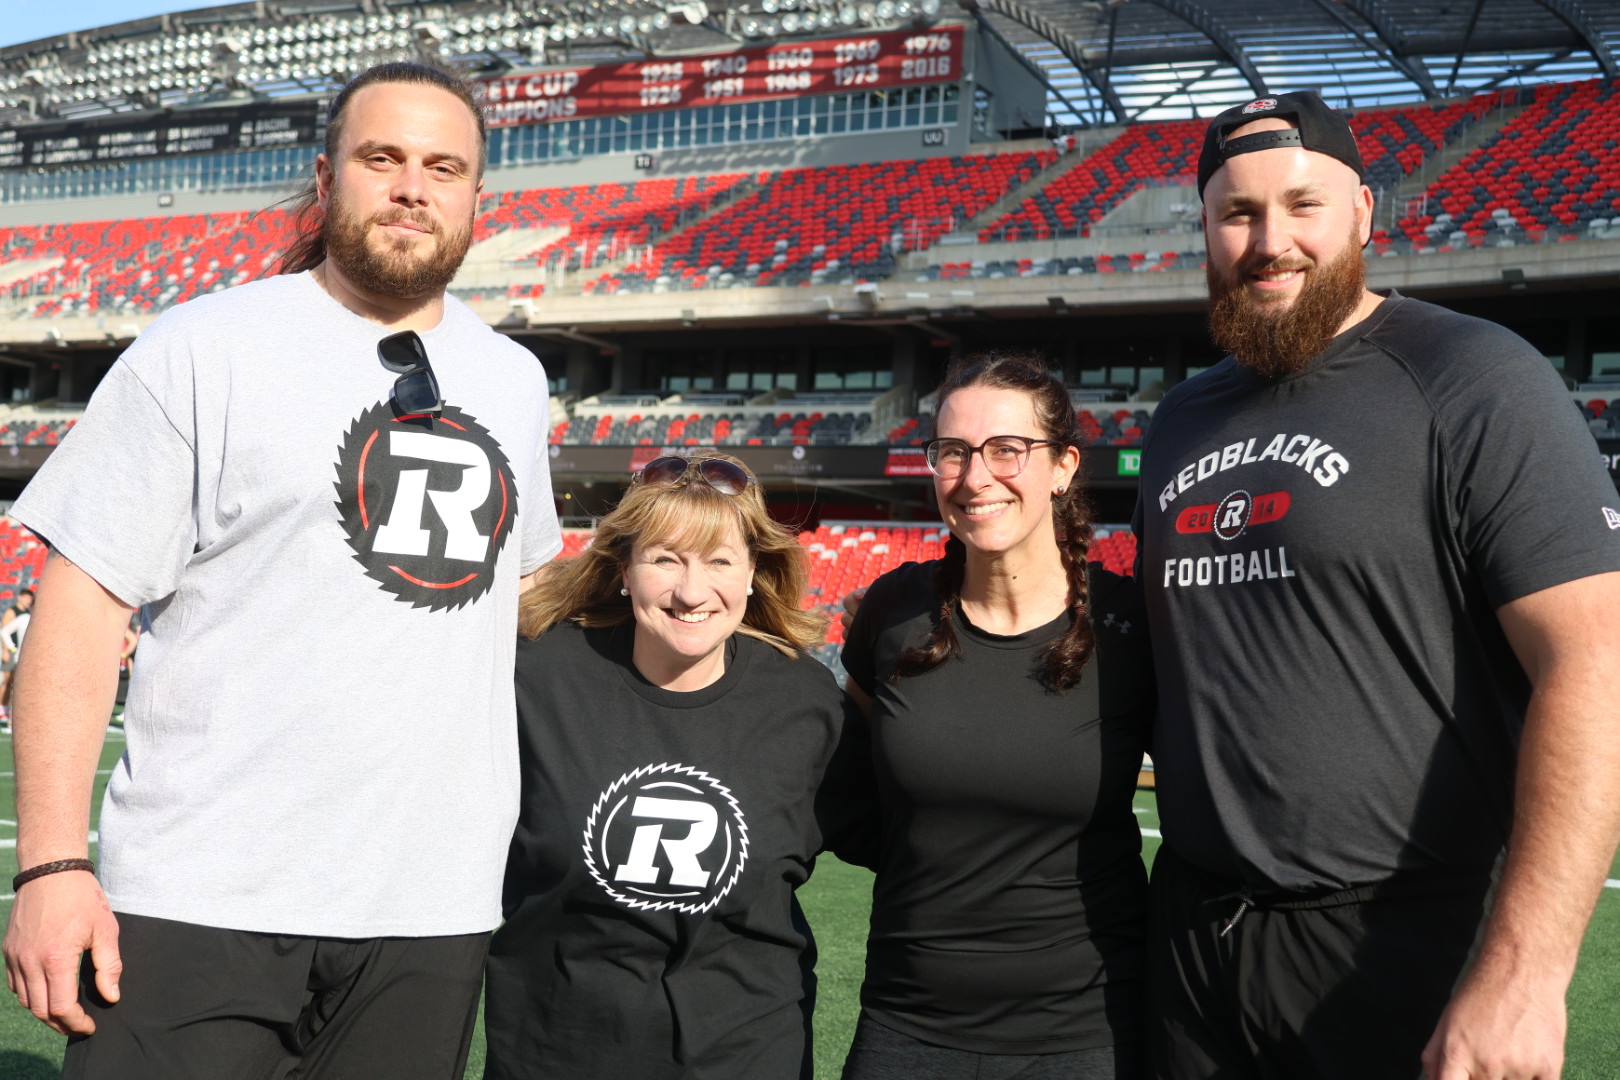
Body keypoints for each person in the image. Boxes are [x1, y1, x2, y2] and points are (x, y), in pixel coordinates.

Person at [2, 61, 561, 1080]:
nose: (412, 187)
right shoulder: (205, 349)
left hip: (430, 910)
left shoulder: (515, 382)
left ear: (480, 197)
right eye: (381, 157)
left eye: (444, 167)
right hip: (200, 894)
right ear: (325, 176)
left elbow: (527, 600)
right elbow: (81, 609)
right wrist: (49, 866)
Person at [1132, 90, 1620, 1079]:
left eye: (1304, 204)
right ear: (1207, 230)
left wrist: (1526, 974)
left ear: (1363, 213)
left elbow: (1596, 659)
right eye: (1239, 213)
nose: (1272, 241)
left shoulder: (1473, 375)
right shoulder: (1179, 418)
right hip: (1192, 940)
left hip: (1400, 945)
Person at [484, 451, 863, 1080]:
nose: (691, 591)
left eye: (719, 561)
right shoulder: (537, 679)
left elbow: (909, 837)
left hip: (746, 1058)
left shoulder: (807, 703)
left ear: (752, 574)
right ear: (624, 570)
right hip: (553, 1055)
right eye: (665, 559)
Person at [839, 351, 1154, 1079]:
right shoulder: (893, 611)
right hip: (905, 1024)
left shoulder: (1132, 626)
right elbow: (840, 769)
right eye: (952, 452)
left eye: (1007, 449)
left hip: (1088, 1034)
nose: (975, 477)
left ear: (1065, 466)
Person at [0, 586, 35, 728]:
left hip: (17, 651)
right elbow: (5, 629)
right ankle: (3, 708)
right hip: (12, 651)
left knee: (12, 682)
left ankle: (7, 710)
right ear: (20, 597)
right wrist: (7, 649)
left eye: (30, 599)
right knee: (8, 681)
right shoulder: (13, 612)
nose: (28, 600)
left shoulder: (26, 613)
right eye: (26, 597)